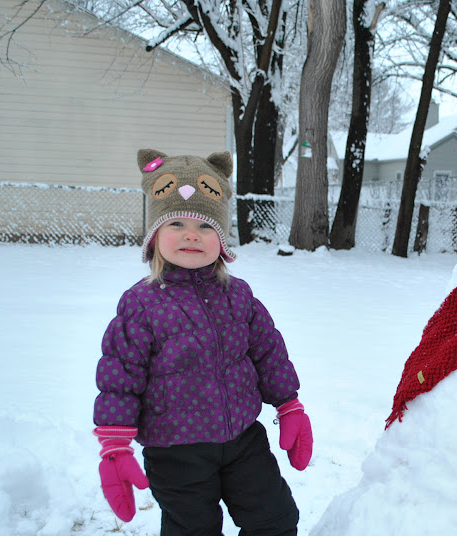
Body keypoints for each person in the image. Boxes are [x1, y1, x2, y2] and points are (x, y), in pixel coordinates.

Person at [93, 148, 312, 535]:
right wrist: (115, 444)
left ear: (221, 240)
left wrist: (289, 405)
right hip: (175, 452)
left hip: (244, 441)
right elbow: (119, 376)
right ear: (155, 236)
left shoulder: (240, 295)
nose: (191, 234)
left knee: (276, 520)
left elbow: (269, 353)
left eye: (206, 226)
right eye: (175, 222)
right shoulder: (141, 303)